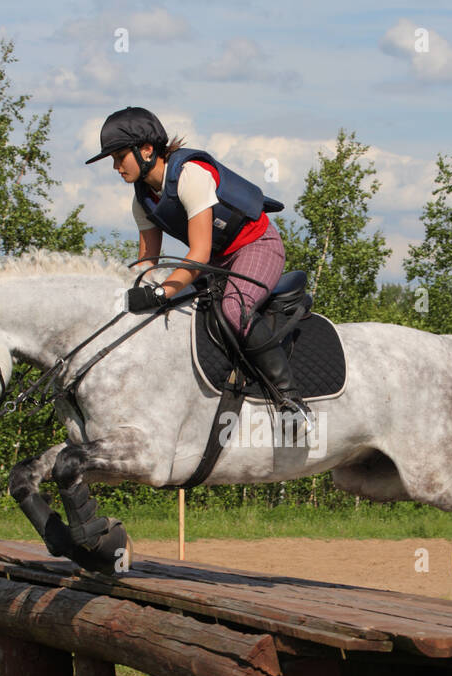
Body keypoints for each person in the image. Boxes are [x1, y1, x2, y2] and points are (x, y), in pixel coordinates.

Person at [86, 106, 315, 436]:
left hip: (256, 245)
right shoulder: (142, 200)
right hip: (217, 261)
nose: (115, 166)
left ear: (146, 150)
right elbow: (148, 263)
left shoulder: (191, 175)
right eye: (113, 159)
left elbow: (198, 253)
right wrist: (130, 296)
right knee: (172, 312)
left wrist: (163, 290)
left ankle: (291, 403)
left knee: (234, 310)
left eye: (120, 156)